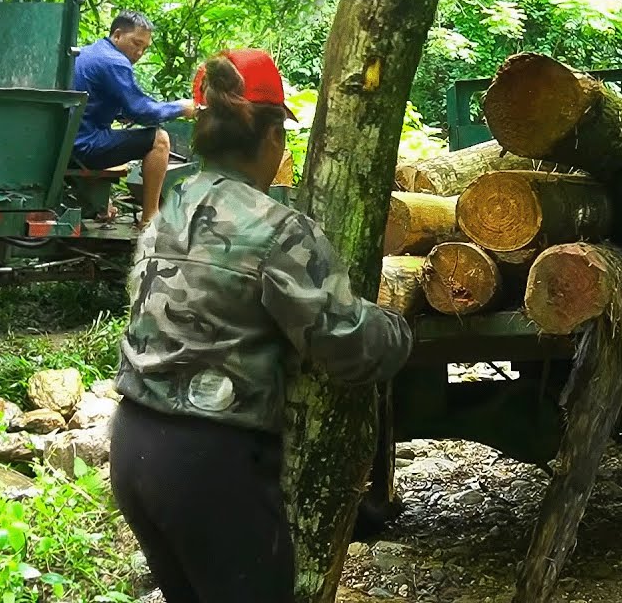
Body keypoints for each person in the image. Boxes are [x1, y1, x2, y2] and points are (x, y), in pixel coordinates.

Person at [108, 48, 414, 603]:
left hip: (133, 446)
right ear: (272, 136)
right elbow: (345, 345)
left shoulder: (172, 206)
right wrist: (398, 328)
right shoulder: (276, 227)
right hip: (208, 463)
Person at [71, 11, 195, 227]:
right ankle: (150, 219)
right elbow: (145, 112)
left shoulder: (88, 53)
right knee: (160, 140)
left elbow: (93, 103)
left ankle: (100, 204)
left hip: (68, 143)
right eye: (136, 43)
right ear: (117, 35)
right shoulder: (114, 62)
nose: (139, 53)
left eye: (145, 48)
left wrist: (122, 112)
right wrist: (182, 107)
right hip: (83, 145)